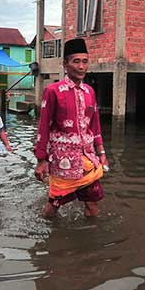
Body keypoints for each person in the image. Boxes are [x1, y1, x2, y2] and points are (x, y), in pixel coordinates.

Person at [34, 38, 108, 218]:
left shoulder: (90, 92)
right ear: (65, 64)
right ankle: (48, 238)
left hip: (88, 160)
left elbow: (95, 125)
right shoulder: (53, 91)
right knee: (53, 207)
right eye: (76, 61)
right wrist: (41, 160)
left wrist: (102, 153)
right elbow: (43, 127)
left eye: (85, 61)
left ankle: (89, 242)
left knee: (93, 208)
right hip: (63, 162)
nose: (81, 66)